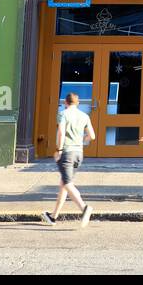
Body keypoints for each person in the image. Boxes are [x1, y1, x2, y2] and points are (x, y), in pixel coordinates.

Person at [42, 93, 95, 227]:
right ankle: (53, 217)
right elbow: (92, 136)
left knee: (67, 183)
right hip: (79, 153)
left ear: (65, 102)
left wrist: (59, 150)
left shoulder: (63, 114)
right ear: (77, 103)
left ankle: (84, 208)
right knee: (64, 184)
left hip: (66, 152)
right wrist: (82, 141)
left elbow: (61, 132)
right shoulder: (84, 116)